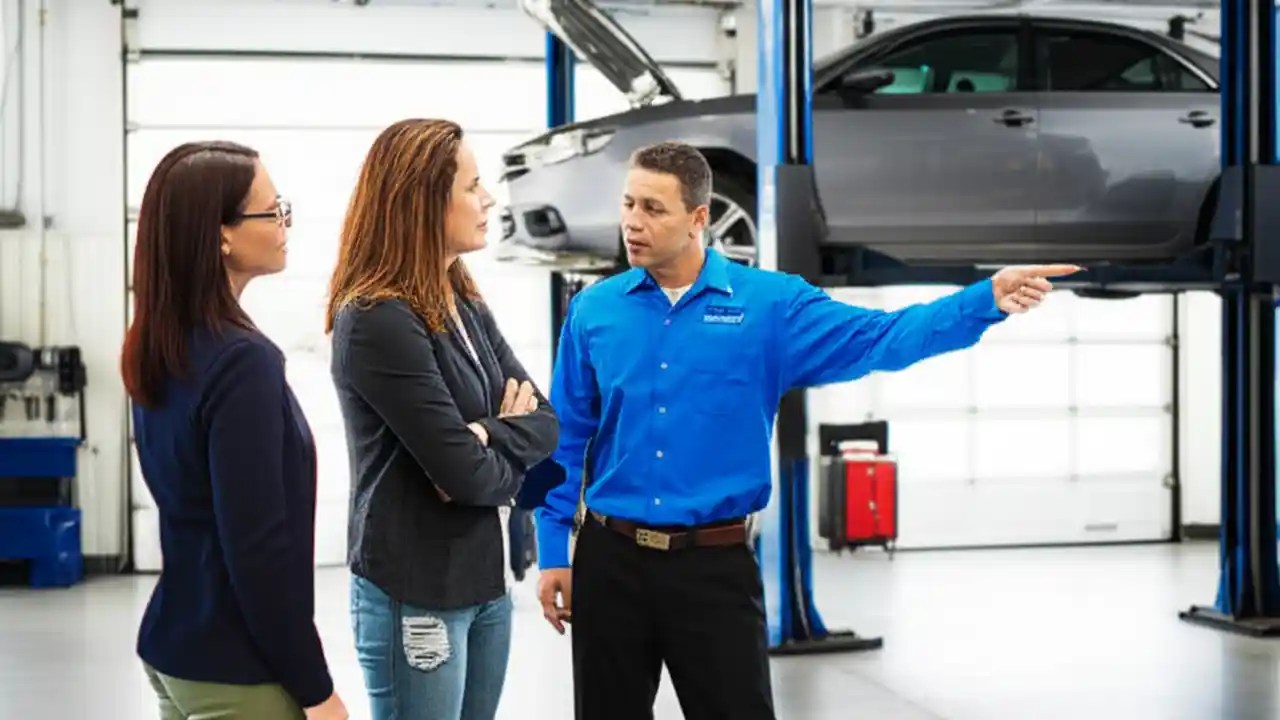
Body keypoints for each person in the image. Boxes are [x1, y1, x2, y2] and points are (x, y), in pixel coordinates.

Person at [534, 141, 1080, 720]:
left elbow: (882, 337)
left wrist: (982, 301)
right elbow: (564, 437)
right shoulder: (595, 310)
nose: (632, 223)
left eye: (652, 208)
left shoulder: (771, 305)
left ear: (699, 219)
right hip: (609, 562)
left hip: (713, 569)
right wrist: (551, 551)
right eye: (627, 204)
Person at [326, 118, 560, 720]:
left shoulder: (462, 296)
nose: (487, 200)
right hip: (417, 589)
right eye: (472, 186)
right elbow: (464, 475)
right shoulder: (379, 317)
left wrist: (485, 438)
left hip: (484, 578)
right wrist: (488, 452)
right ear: (423, 200)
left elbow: (546, 421)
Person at [122, 141, 348, 720]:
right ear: (220, 234)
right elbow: (257, 546)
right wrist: (315, 688)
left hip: (175, 645)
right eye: (272, 211)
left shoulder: (161, 343)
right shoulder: (241, 362)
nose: (284, 223)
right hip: (238, 669)